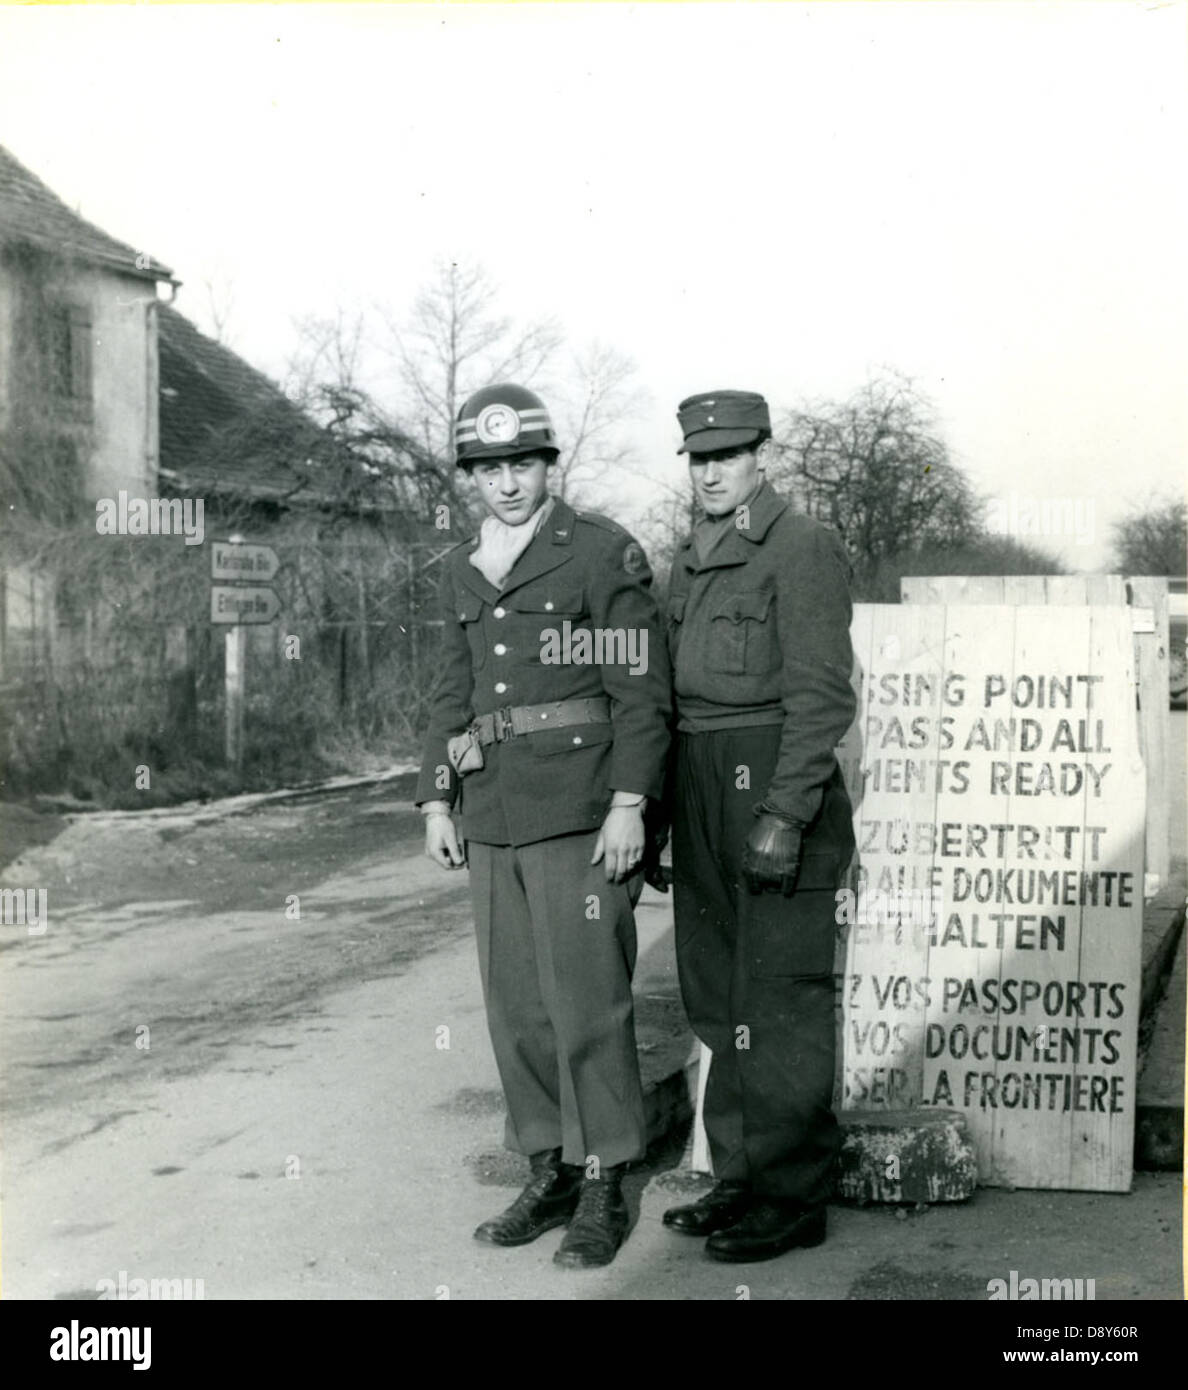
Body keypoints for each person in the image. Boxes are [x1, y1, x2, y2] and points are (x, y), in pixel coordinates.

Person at [416, 383, 671, 1270]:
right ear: (471, 477)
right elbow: (449, 695)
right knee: (516, 1007)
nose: (506, 485)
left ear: (546, 466)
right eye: (488, 470)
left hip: (580, 817)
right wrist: (437, 798)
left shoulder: (597, 554)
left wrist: (631, 805)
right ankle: (548, 1166)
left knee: (587, 1004)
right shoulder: (462, 566)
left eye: (520, 464)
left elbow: (643, 698)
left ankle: (605, 1177)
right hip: (492, 818)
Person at [660, 389, 857, 1263]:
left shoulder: (803, 546)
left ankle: (791, 1194)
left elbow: (822, 696)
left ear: (761, 458)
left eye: (728, 456)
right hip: (701, 781)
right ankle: (738, 1174)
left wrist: (785, 813)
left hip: (776, 779)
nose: (711, 471)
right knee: (719, 995)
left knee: (780, 999)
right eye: (699, 458)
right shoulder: (687, 559)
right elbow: (669, 700)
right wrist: (670, 814)